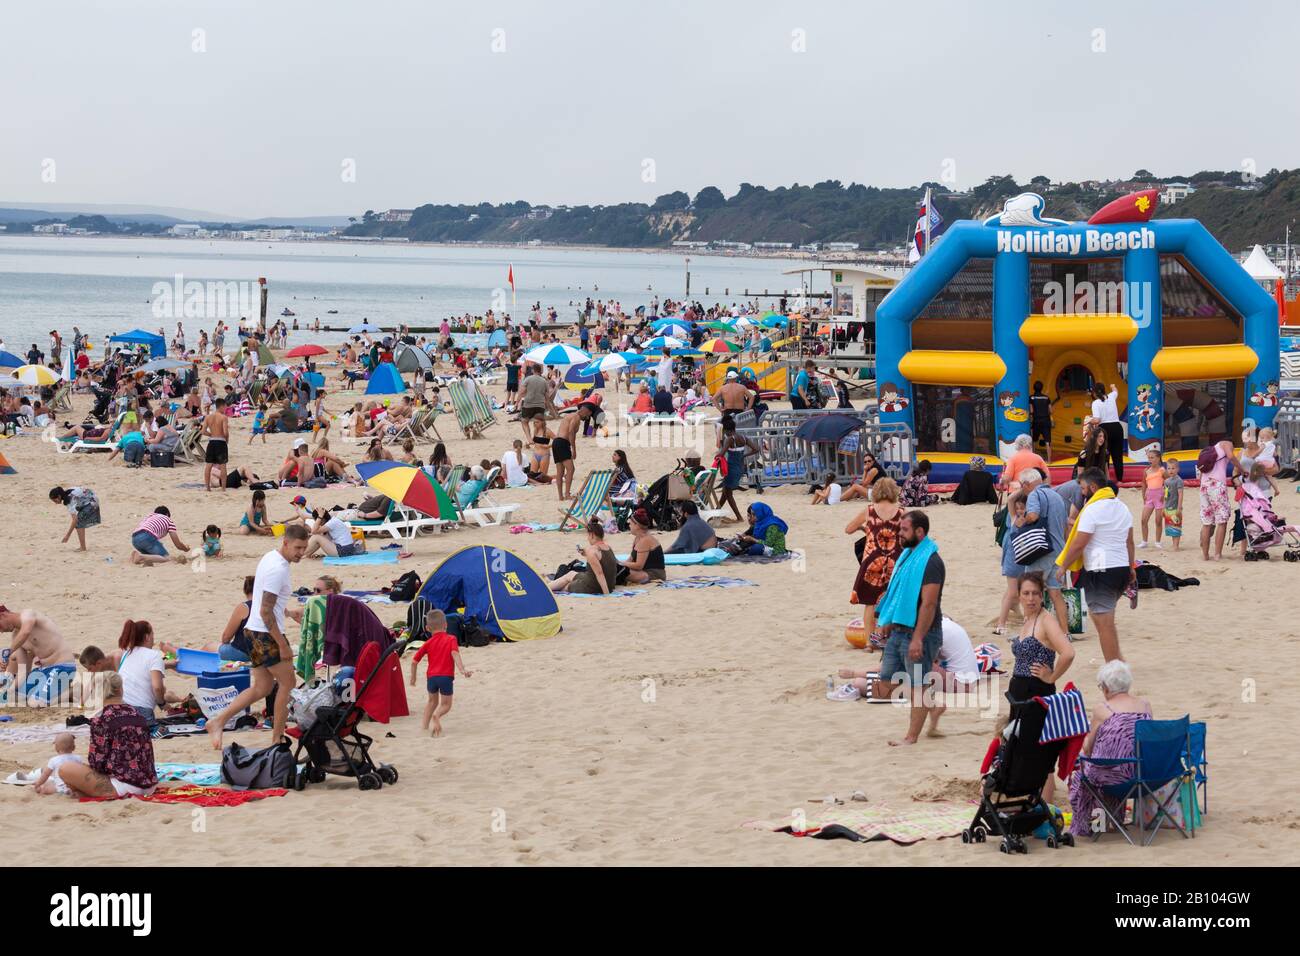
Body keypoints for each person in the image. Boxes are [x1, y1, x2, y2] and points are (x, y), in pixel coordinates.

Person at [208, 524, 310, 750]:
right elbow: (265, 611)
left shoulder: (271, 557)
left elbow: (269, 605)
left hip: (254, 632)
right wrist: (282, 643)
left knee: (262, 688)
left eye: (304, 548)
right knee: (288, 683)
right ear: (285, 542)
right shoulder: (278, 569)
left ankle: (219, 720)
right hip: (265, 633)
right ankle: (277, 737)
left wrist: (288, 614)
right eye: (298, 548)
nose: (301, 552)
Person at [872, 511, 946, 746]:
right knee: (887, 684)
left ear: (919, 532)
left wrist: (918, 639)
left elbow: (929, 603)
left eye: (904, 530)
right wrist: (889, 621)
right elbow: (901, 595)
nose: (899, 534)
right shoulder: (907, 555)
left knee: (917, 685)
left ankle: (911, 738)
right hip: (899, 630)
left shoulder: (932, 561)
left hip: (922, 633)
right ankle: (933, 706)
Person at [1008, 570, 1076, 799]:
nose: (1030, 598)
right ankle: (1045, 800)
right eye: (1026, 593)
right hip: (1021, 693)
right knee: (1029, 749)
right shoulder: (1029, 618)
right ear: (1018, 595)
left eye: (1035, 594)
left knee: (1036, 754)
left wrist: (1052, 676)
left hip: (1036, 693)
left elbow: (1068, 652)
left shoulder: (1046, 620)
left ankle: (1043, 806)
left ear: (1042, 595)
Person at [1067, 660, 1153, 839]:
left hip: (1111, 780)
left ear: (1106, 687)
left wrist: (1085, 746)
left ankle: (1093, 826)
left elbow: (1088, 749)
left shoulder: (1103, 709)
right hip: (1143, 776)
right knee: (1114, 762)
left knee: (1084, 773)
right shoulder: (1145, 707)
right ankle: (1108, 821)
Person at [1057, 467, 1134, 662]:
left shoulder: (1092, 509)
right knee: (1102, 618)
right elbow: (1129, 542)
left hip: (1101, 571)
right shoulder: (1122, 506)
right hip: (1121, 569)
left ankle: (1113, 669)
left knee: (1104, 623)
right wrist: (1131, 567)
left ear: (1093, 487)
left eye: (1083, 488)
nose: (1081, 493)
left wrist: (1063, 566)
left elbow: (1078, 543)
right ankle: (1119, 660)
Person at [55, 673, 158, 799]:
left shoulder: (101, 720)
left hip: (122, 787)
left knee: (65, 768)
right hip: (149, 784)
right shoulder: (137, 714)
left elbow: (97, 763)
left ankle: (80, 792)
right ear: (120, 689)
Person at [846, 476, 904, 642]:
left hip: (872, 560)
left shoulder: (869, 510)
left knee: (870, 602)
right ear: (894, 491)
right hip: (894, 559)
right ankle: (887, 638)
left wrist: (865, 530)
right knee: (892, 599)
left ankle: (869, 644)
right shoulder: (901, 512)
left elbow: (848, 529)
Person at [1015, 468, 1069, 635]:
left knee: (1029, 591)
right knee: (1055, 592)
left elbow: (1033, 515)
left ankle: (1029, 632)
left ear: (1026, 484)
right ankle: (1065, 633)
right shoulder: (1056, 496)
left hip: (1042, 549)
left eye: (1021, 486)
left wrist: (1022, 521)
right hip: (1058, 549)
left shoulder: (1034, 495)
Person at [409, 608, 472, 737]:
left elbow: (414, 661)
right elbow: (455, 653)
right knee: (446, 704)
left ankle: (424, 727)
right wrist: (462, 669)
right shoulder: (451, 639)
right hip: (446, 677)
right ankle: (437, 716)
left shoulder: (427, 643)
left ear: (427, 628)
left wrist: (413, 678)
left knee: (432, 702)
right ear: (446, 625)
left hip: (431, 678)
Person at [0, 605, 76, 703]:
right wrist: (7, 690)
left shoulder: (28, 614)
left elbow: (26, 632)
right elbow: (23, 673)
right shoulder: (16, 638)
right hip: (43, 670)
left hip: (63, 666)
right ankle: (58, 688)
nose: (1, 631)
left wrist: (10, 651)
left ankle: (74, 691)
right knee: (15, 698)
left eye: (0, 627)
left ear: (2, 615)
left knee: (35, 703)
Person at [115, 619, 167, 723]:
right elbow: (157, 688)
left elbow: (141, 666)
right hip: (140, 712)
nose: (153, 638)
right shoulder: (155, 655)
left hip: (118, 709)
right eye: (152, 634)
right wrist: (162, 704)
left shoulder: (126, 653)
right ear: (147, 637)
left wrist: (167, 664)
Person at [549, 519, 619, 594]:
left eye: (588, 535)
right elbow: (600, 559)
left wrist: (606, 594)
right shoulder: (608, 548)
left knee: (565, 586)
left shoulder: (591, 551)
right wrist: (585, 553)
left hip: (594, 586)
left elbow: (600, 574)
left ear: (592, 535)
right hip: (609, 585)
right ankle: (548, 586)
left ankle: (545, 588)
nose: (587, 538)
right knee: (571, 573)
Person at [1197, 438, 1238, 561]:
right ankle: (1217, 554)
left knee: (1207, 522)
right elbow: (1231, 456)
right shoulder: (1226, 443)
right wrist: (1240, 467)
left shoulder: (1210, 450)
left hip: (1204, 485)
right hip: (1217, 485)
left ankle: (1205, 555)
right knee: (1222, 520)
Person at [716, 415, 755, 522]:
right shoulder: (743, 437)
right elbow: (757, 449)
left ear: (727, 430)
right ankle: (716, 512)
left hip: (731, 468)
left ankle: (739, 517)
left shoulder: (729, 439)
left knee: (728, 493)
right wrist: (745, 455)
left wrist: (716, 458)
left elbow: (721, 454)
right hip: (740, 467)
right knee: (725, 491)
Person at [552, 402, 594, 500]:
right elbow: (571, 432)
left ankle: (560, 496)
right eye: (588, 415)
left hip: (556, 442)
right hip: (563, 443)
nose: (587, 418)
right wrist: (573, 449)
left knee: (560, 472)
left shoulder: (569, 415)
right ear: (584, 411)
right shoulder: (576, 417)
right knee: (571, 469)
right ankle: (567, 494)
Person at [1090, 383, 1125, 482]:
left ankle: (1105, 479)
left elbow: (1097, 420)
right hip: (1117, 428)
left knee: (1104, 455)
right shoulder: (1111, 396)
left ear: (1094, 393)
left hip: (1104, 429)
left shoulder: (1096, 403)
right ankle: (1120, 480)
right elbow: (1115, 391)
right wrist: (1113, 385)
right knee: (1118, 455)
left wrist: (1089, 420)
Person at [620, 509, 666, 583]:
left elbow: (639, 565)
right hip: (643, 570)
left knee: (622, 573)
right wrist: (621, 565)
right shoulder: (638, 538)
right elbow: (631, 558)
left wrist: (622, 564)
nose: (629, 525)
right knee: (618, 570)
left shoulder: (645, 540)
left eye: (630, 524)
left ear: (637, 526)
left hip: (654, 574)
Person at [49, 485, 100, 552]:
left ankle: (83, 548)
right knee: (79, 521)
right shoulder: (68, 491)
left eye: (54, 500)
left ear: (59, 496)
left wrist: (67, 535)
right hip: (89, 498)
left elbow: (74, 520)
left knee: (78, 523)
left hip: (92, 502)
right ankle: (83, 547)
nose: (55, 503)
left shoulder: (70, 501)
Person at [218, 576, 256, 662]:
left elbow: (226, 637)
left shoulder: (244, 607)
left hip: (244, 653)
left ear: (245, 591)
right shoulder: (268, 606)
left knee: (209, 647)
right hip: (265, 653)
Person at [1138, 446, 1166, 548]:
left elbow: (1167, 483)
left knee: (1158, 521)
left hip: (1159, 497)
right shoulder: (1146, 470)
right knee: (1143, 520)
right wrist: (1143, 496)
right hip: (1149, 497)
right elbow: (1143, 484)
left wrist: (1165, 495)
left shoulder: (1162, 470)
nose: (1150, 460)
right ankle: (1144, 541)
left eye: (1152, 457)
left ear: (1158, 458)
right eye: (1149, 457)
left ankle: (1157, 542)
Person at [201, 397, 230, 491]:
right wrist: (227, 439)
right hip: (221, 442)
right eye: (225, 406)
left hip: (212, 441)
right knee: (223, 465)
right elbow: (225, 432)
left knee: (208, 465)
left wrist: (212, 434)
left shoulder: (208, 417)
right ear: (221, 406)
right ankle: (223, 489)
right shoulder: (223, 417)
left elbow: (203, 431)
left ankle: (207, 487)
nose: (225, 408)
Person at [518, 363, 548, 439]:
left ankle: (529, 439)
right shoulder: (544, 381)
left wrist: (517, 402)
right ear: (540, 371)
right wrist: (547, 405)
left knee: (524, 421)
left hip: (529, 404)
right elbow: (547, 396)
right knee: (538, 422)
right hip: (540, 404)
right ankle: (536, 437)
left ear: (532, 370)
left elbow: (521, 392)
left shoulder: (528, 379)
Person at [1029, 380, 1054, 461]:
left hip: (1036, 421)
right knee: (1048, 441)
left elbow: (1031, 410)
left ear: (1034, 388)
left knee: (1034, 440)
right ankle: (1049, 460)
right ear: (1042, 388)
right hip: (1046, 420)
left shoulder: (1031, 398)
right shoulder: (1046, 398)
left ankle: (1033, 459)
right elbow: (1051, 411)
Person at [1162, 460, 1184, 551]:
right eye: (1169, 468)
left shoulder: (1179, 480)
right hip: (1168, 507)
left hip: (1175, 507)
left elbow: (1180, 494)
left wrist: (1179, 507)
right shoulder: (1166, 481)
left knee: (1176, 526)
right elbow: (1165, 494)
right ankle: (1173, 544)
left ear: (1177, 469)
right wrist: (1164, 507)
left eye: (1173, 468)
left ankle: (1176, 545)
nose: (1171, 470)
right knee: (1170, 527)